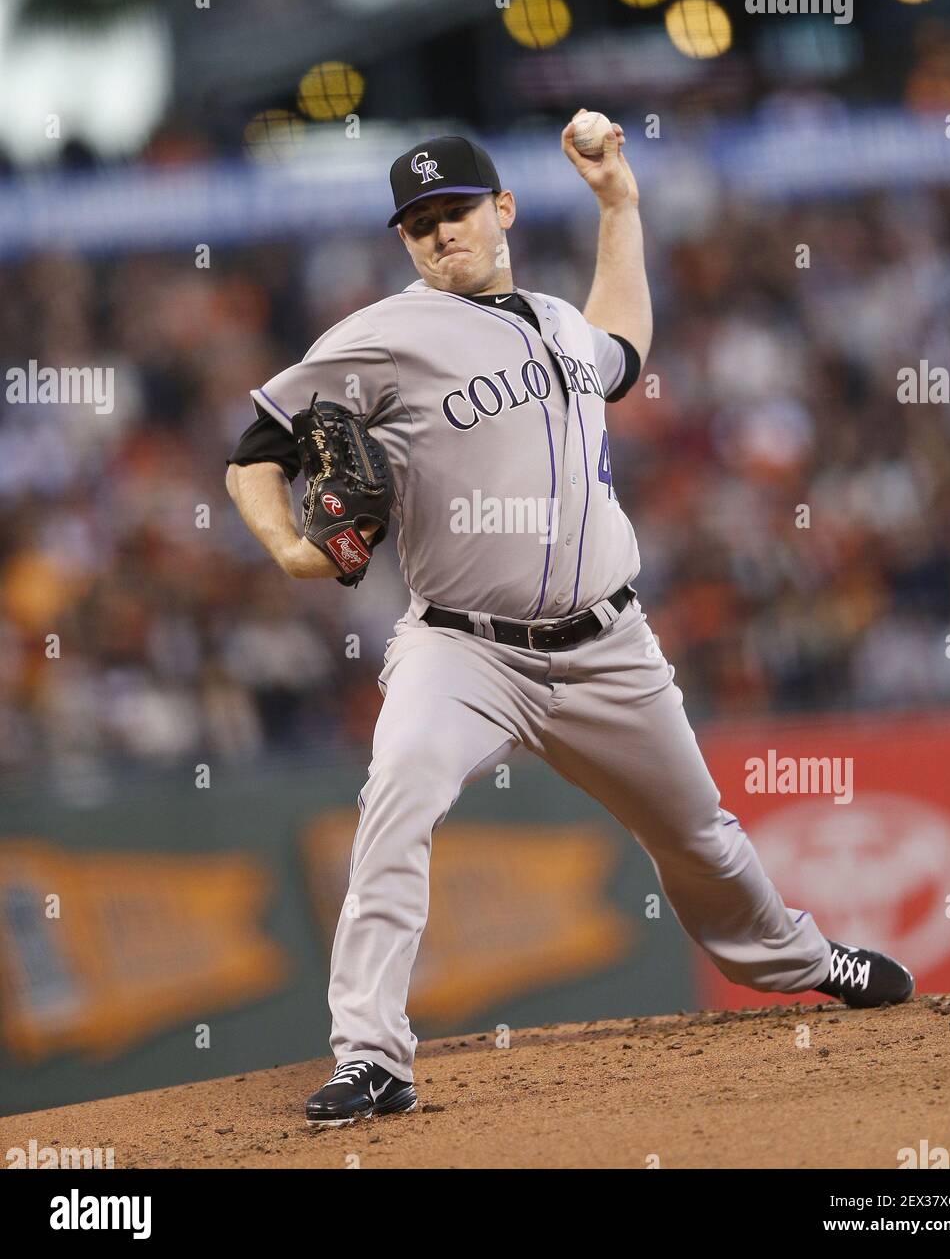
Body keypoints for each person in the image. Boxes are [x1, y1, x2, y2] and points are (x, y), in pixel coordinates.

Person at [225, 115, 914, 1128]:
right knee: (395, 800)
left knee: (702, 838)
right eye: (417, 223)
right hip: (463, 650)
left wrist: (619, 201)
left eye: (454, 211)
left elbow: (625, 343)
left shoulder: (553, 322)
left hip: (609, 649)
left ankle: (806, 959)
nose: (438, 234)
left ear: (501, 210)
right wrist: (289, 545)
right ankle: (372, 1056)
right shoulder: (380, 335)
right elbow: (255, 448)